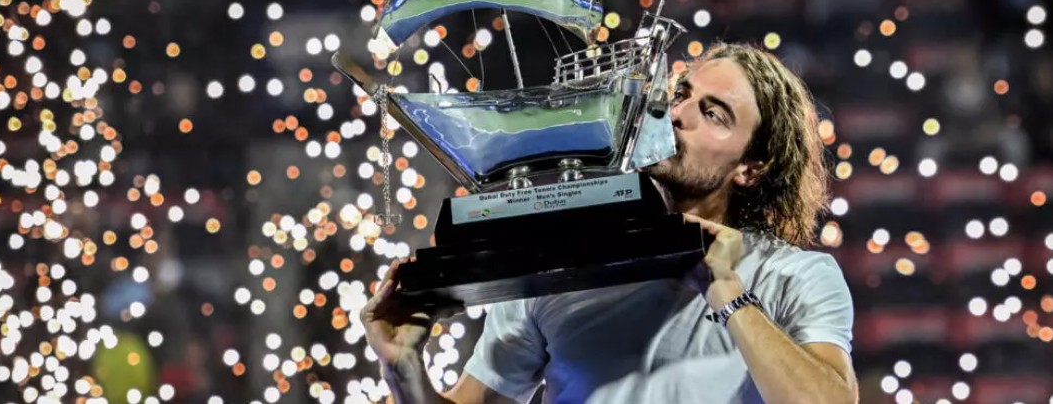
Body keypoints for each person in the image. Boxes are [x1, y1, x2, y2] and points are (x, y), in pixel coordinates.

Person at [364, 42, 858, 404]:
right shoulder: (552, 260)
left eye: (714, 113)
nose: (677, 113)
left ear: (752, 168)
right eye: (681, 92)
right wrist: (402, 370)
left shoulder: (795, 276)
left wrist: (728, 294)